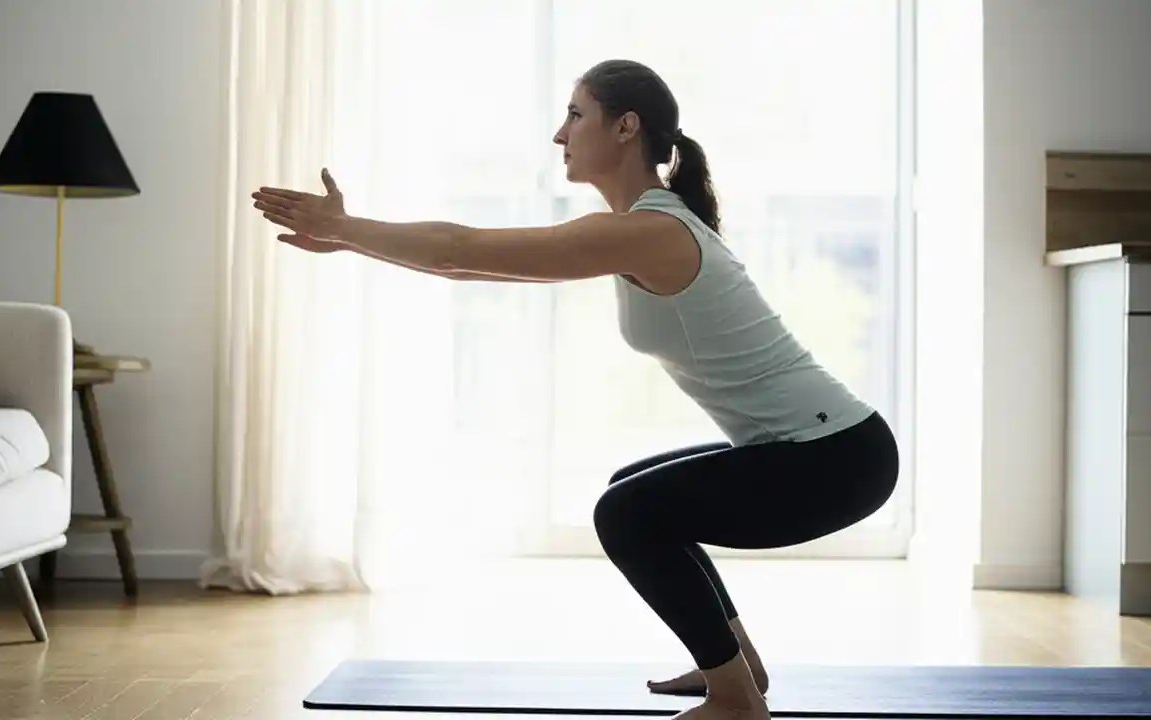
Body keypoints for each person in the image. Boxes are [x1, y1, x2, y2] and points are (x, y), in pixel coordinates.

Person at [252, 58, 899, 720]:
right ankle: (738, 669)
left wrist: (346, 228)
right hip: (829, 450)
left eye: (574, 115)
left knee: (628, 513)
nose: (559, 135)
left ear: (625, 127)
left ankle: (735, 701)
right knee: (632, 487)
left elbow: (458, 247)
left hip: (836, 459)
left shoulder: (651, 231)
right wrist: (353, 241)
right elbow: (467, 265)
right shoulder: (642, 228)